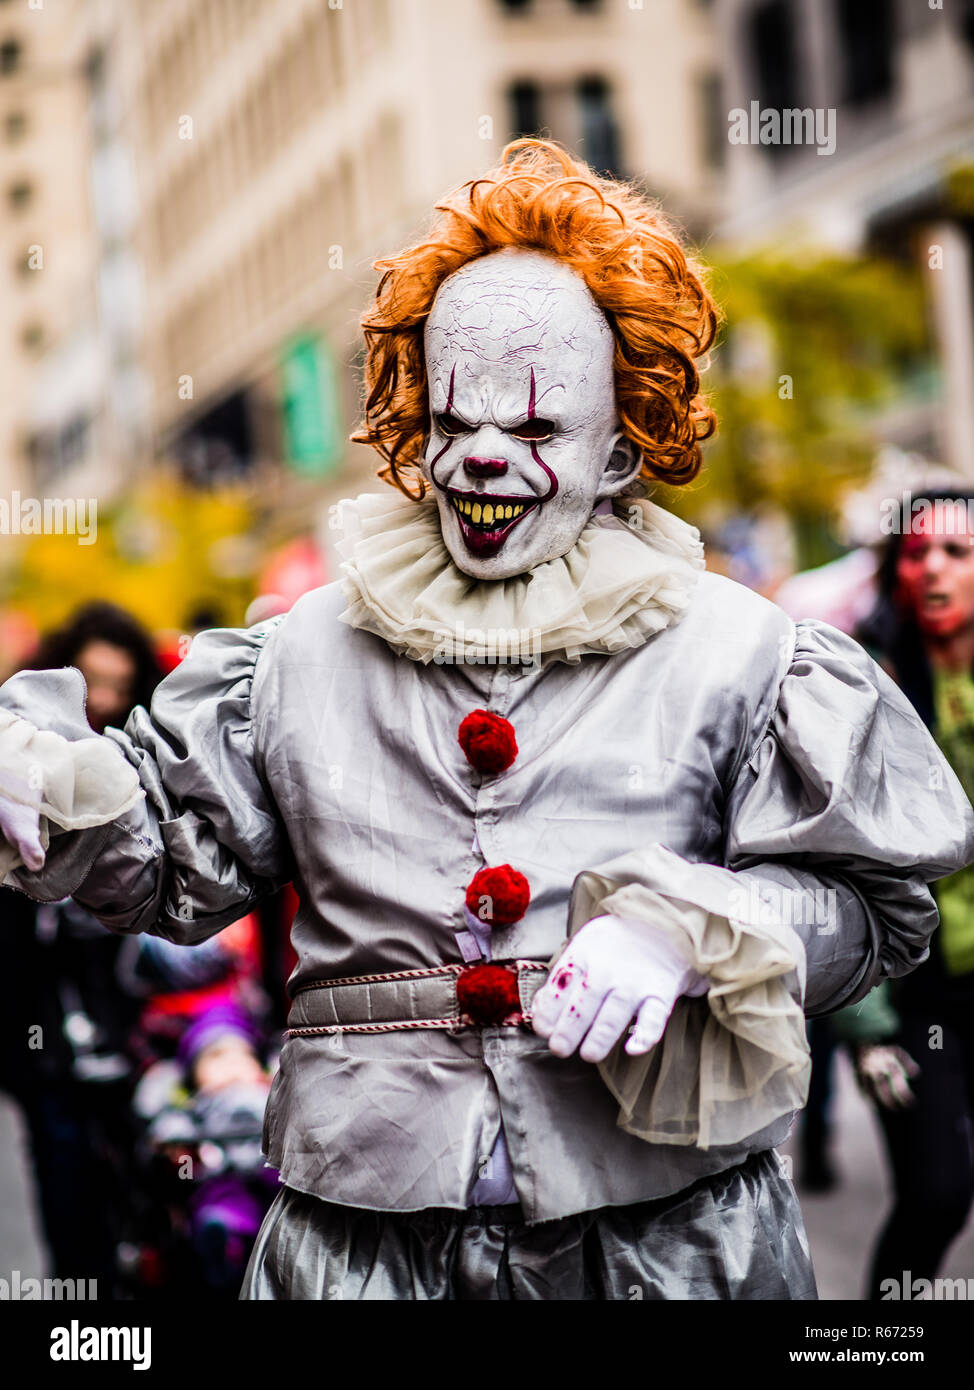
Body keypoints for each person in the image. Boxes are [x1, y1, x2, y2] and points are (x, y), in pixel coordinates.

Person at [0, 141, 971, 1301]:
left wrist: (691, 929)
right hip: (357, 1254)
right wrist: (45, 791)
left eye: (537, 429)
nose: (482, 462)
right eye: (453, 422)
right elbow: (167, 864)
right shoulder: (299, 653)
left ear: (620, 444)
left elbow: (873, 908)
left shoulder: (740, 652)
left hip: (665, 1246)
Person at [831, 486, 974, 1300]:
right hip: (914, 997)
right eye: (918, 553)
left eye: (958, 551)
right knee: (935, 1196)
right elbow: (836, 858)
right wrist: (863, 1028)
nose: (934, 569)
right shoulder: (863, 684)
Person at [0, 601, 163, 1288]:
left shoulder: (143, 781)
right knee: (68, 1206)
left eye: (118, 686)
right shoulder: (18, 772)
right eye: (90, 680)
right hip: (44, 1042)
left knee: (146, 1201)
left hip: (130, 1037)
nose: (102, 699)